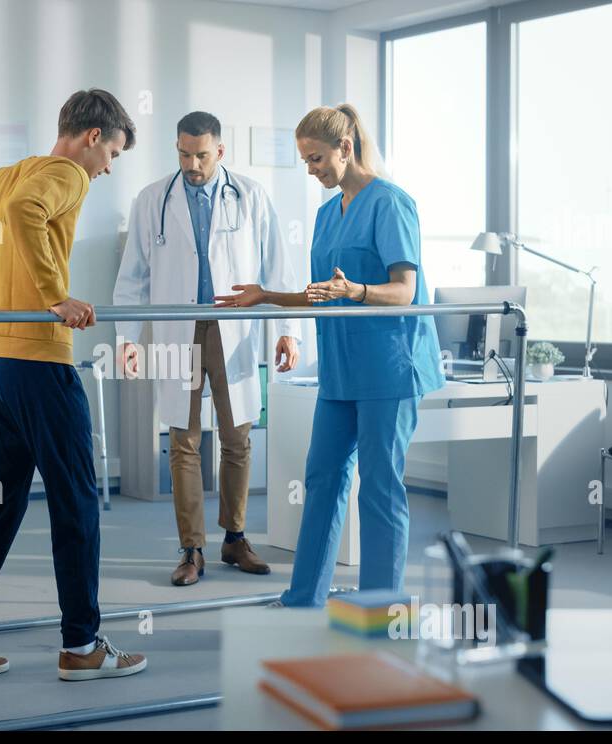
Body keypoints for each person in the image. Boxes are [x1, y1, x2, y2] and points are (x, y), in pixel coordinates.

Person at [0, 89, 147, 680]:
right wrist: (55, 297)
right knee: (76, 500)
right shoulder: (68, 173)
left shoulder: (5, 176)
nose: (109, 166)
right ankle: (81, 646)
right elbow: (25, 216)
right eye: (113, 152)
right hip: (40, 367)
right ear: (94, 136)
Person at [215, 104, 445, 607]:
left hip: (389, 365)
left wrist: (358, 290)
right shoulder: (325, 213)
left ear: (346, 148)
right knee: (322, 477)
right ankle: (304, 599)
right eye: (305, 161)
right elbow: (325, 293)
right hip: (341, 368)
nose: (312, 169)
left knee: (380, 489)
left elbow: (404, 291)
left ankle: (382, 610)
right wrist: (268, 295)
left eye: (317, 158)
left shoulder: (392, 203)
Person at [113, 111, 303, 586]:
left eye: (201, 154)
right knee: (184, 440)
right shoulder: (152, 198)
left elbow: (277, 265)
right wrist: (127, 339)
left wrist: (287, 328)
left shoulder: (252, 196)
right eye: (183, 153)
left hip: (233, 326)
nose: (191, 163)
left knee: (238, 435)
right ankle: (191, 548)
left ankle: (234, 538)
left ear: (220, 151)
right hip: (178, 326)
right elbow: (132, 276)